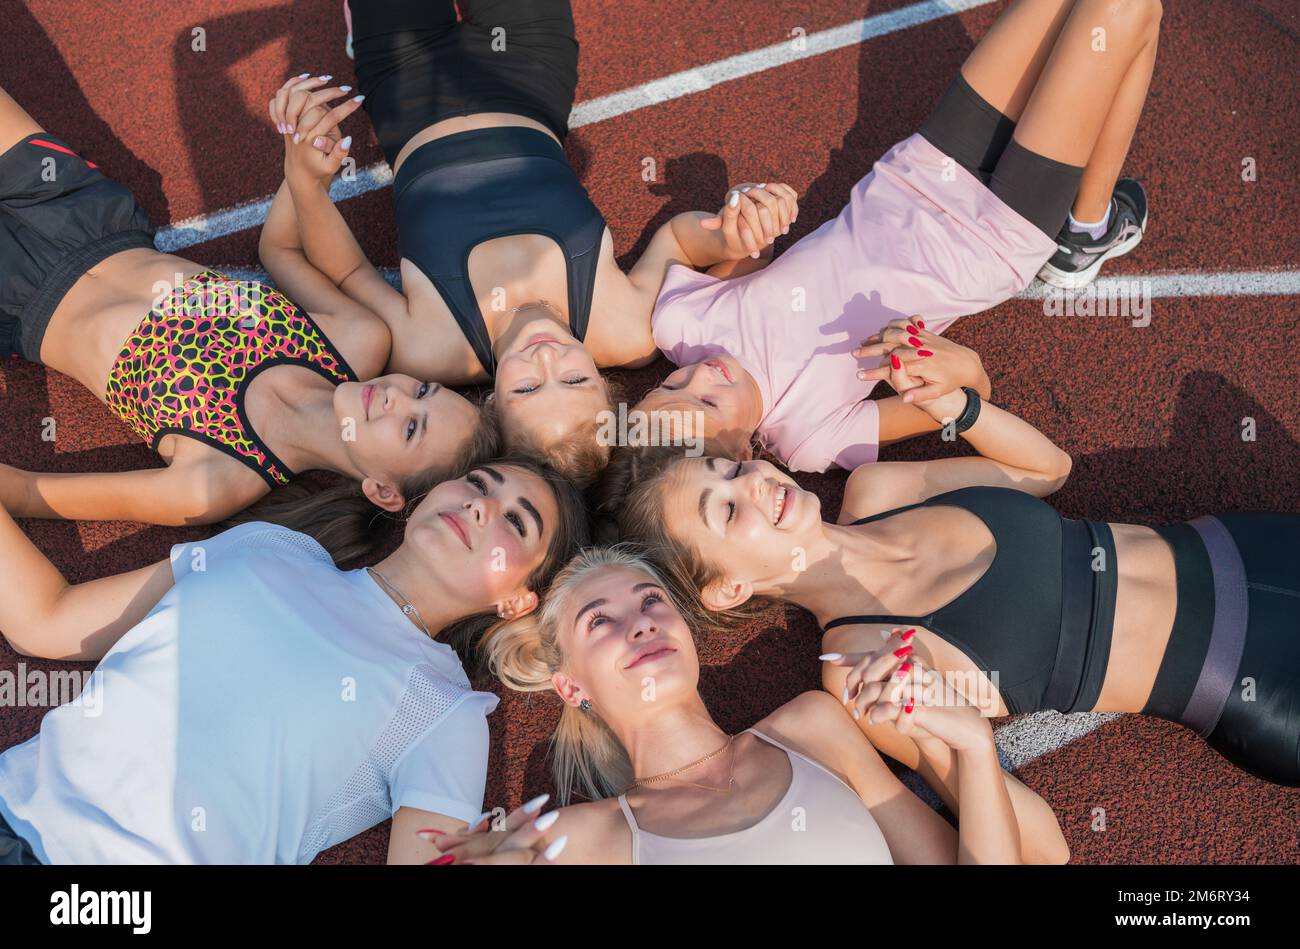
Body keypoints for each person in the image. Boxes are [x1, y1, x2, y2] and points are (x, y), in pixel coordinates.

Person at [601, 335, 1300, 794]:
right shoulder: (859, 670)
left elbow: (1048, 470)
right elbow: (993, 806)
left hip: (1242, 547)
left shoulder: (877, 491)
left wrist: (959, 407)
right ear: (729, 589)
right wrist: (958, 734)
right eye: (725, 511)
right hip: (1256, 687)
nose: (752, 483)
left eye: (728, 467)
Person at [270, 0, 797, 482]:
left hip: (407, 84)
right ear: (605, 386)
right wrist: (733, 235)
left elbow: (348, 274)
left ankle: (360, 34)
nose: (547, 362)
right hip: (530, 72)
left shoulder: (434, 349)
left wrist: (305, 177)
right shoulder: (624, 330)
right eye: (574, 381)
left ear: (493, 406)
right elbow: (681, 245)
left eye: (527, 388)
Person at [631, 0, 1161, 472]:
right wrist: (953, 367)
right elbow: (960, 403)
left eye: (672, 385)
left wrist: (747, 214)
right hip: (992, 238)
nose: (700, 377)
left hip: (919, 174)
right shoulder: (810, 439)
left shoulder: (683, 326)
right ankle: (1086, 229)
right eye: (706, 404)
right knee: (1125, 8)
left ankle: (1086, 228)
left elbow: (749, 248)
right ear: (743, 453)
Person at [0, 458, 590, 864]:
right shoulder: (267, 546)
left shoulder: (446, 712)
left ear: (516, 601)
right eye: (479, 483)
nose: (482, 506)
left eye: (516, 521)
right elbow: (48, 621)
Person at [0, 85, 498, 526]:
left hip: (16, 300)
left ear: (382, 489)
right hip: (86, 212)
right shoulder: (356, 339)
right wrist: (303, 165)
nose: (399, 396)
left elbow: (24, 492)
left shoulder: (217, 481)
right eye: (424, 390)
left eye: (412, 427)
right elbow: (278, 249)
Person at [424, 547, 1036, 864]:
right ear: (571, 687)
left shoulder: (812, 727)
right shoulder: (579, 837)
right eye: (600, 621)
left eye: (651, 602)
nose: (640, 625)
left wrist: (970, 745)